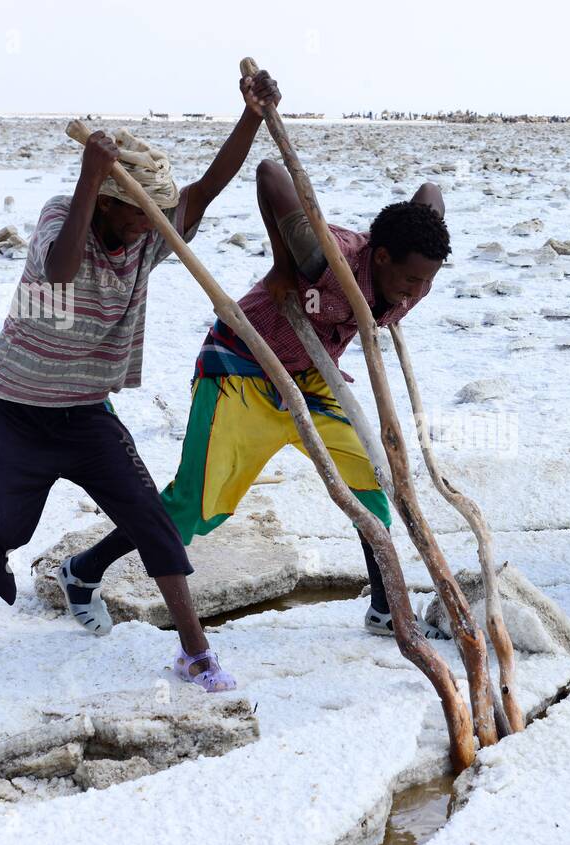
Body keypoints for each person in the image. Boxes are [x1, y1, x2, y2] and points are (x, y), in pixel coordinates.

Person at [0, 69, 282, 694]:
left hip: (86, 411)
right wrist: (90, 178)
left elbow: (202, 194)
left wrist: (252, 116)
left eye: (154, 217)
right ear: (108, 201)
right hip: (12, 406)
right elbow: (61, 274)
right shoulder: (62, 216)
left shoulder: (149, 238)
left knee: (151, 516)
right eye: (135, 214)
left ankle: (195, 653)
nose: (146, 227)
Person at [60, 159, 453, 639]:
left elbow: (430, 191)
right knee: (193, 504)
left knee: (371, 484)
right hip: (241, 368)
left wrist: (425, 235)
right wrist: (283, 267)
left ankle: (385, 608)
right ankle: (84, 569)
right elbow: (269, 171)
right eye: (411, 281)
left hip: (313, 378)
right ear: (384, 256)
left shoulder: (412, 273)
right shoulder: (323, 258)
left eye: (427, 282)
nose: (417, 292)